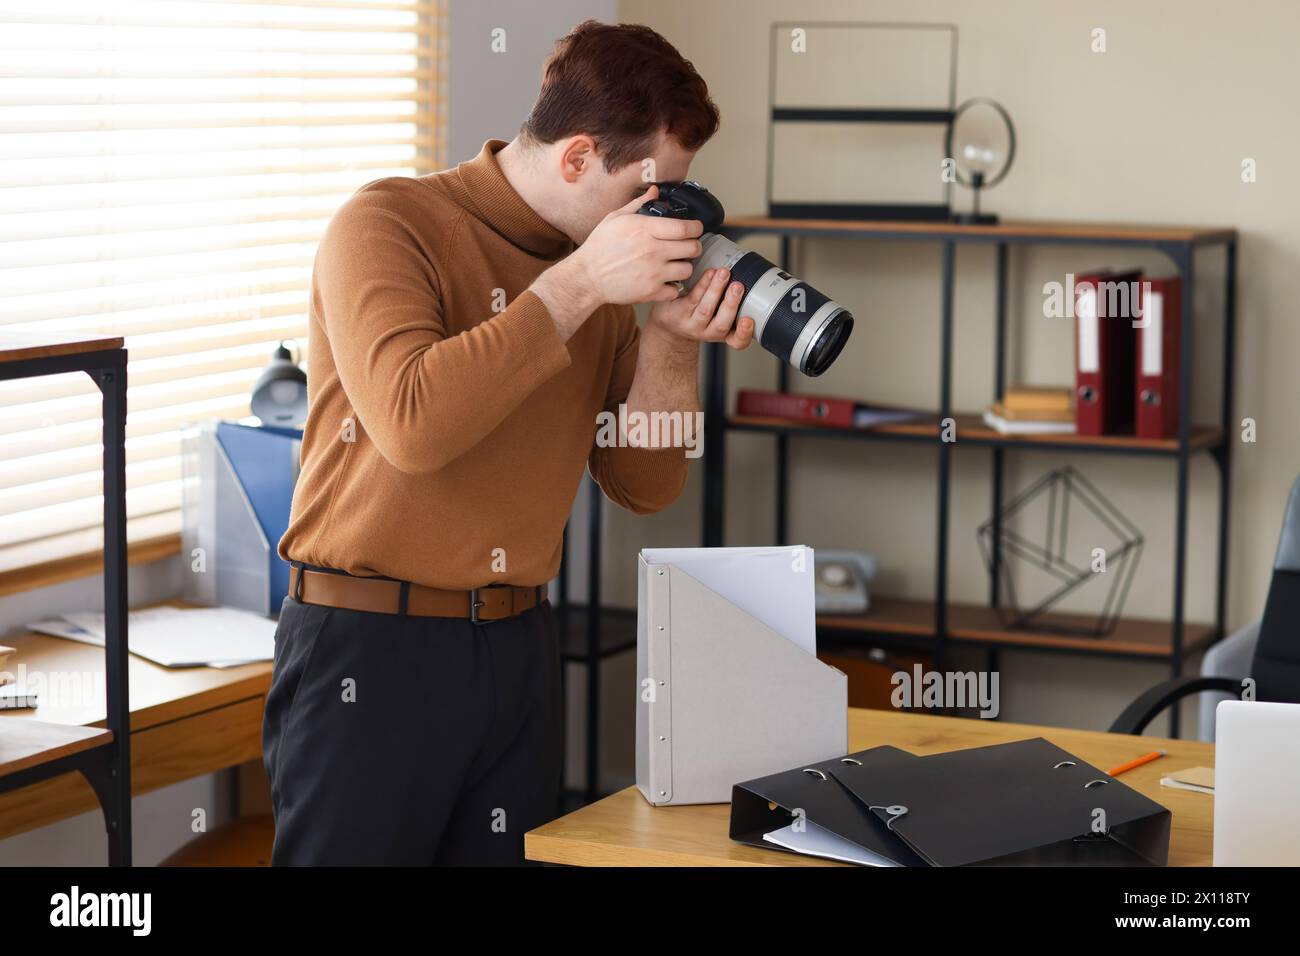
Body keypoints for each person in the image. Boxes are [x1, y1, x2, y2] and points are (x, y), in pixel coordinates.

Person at [262, 20, 753, 865]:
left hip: (518, 647)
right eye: (651, 193)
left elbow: (645, 485)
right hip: (369, 648)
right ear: (577, 157)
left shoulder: (595, 270)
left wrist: (671, 340)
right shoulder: (387, 225)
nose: (664, 219)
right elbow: (415, 425)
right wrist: (581, 284)